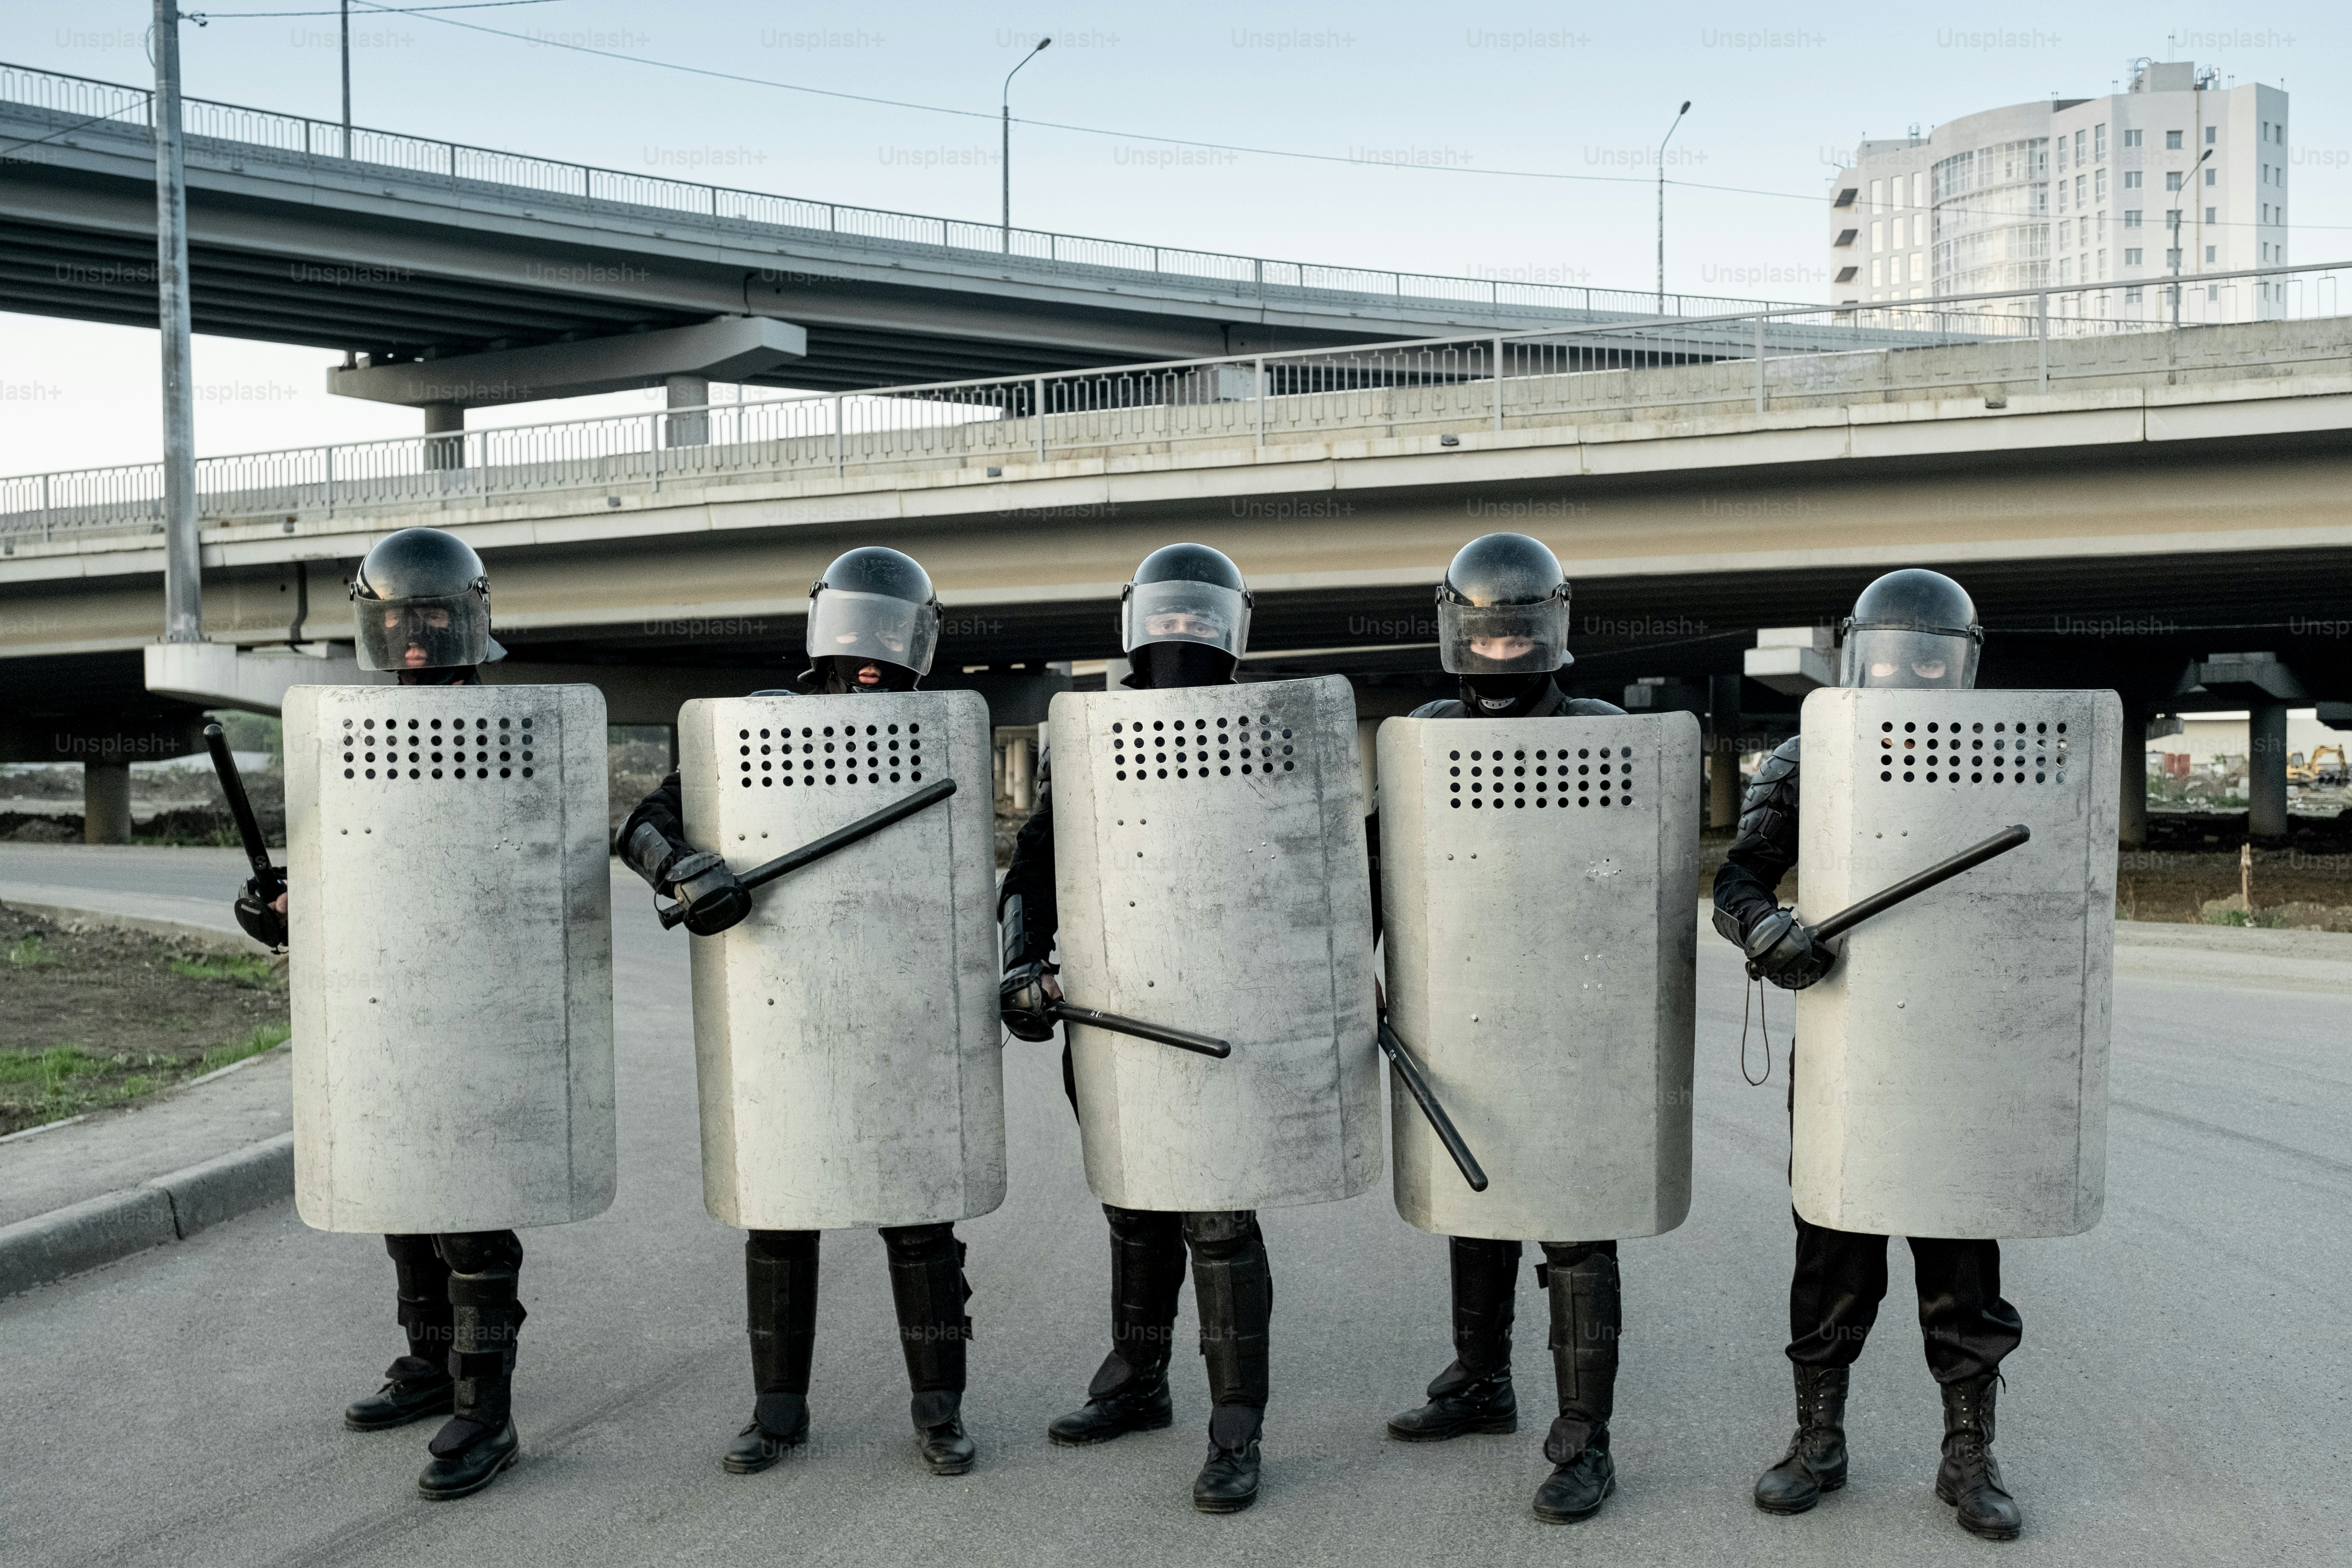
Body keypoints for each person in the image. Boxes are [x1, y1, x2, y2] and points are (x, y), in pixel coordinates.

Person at [616, 545, 982, 1479]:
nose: (871, 653)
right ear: (825, 628)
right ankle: (777, 1410)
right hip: (783, 999)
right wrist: (682, 867)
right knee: (782, 1210)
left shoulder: (940, 734)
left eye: (889, 634)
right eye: (858, 628)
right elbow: (642, 825)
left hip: (904, 1002)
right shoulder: (753, 730)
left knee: (919, 1213)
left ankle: (940, 1409)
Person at [1712, 567, 2024, 1542]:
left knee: (1961, 1253)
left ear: (1960, 664)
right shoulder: (1813, 755)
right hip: (1851, 1039)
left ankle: (1968, 1454)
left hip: (1961, 1044)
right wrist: (1767, 931)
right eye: (1898, 653)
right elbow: (1738, 878)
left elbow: (2053, 889)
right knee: (1834, 1246)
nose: (1913, 669)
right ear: (1860, 655)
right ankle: (1819, 1440)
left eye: (1932, 656)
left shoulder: (2004, 755)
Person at [230, 526, 534, 1501]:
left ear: (468, 623)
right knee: (405, 1197)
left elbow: (541, 870)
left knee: (471, 1214)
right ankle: (429, 1364)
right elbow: (331, 872)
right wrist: (279, 908)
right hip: (385, 1004)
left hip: (484, 999)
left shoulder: (520, 733)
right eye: (398, 617)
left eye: (432, 616)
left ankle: (487, 1412)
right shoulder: (347, 735)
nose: (413, 637)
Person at [997, 542, 1277, 1513]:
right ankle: (1141, 1375)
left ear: (1231, 628)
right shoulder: (1090, 737)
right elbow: (1034, 870)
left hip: (1225, 1008)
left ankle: (1236, 1425)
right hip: (1115, 1005)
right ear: (1136, 626)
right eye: (1169, 619)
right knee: (1135, 1198)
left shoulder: (1269, 732)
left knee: (1218, 1215)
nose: (1182, 636)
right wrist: (1023, 962)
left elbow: (1321, 871)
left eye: (1198, 619)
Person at [1368, 533, 1635, 1524]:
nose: (1503, 651)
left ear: (1551, 631)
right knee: (1474, 1202)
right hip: (1462, 1002)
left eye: (1519, 632)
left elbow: (1635, 880)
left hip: (1575, 1014)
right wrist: (1360, 974)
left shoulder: (1606, 732)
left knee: (1574, 1223)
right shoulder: (1423, 737)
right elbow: (1374, 868)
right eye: (1486, 634)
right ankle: (1482, 1381)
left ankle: (1584, 1443)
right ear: (1457, 633)